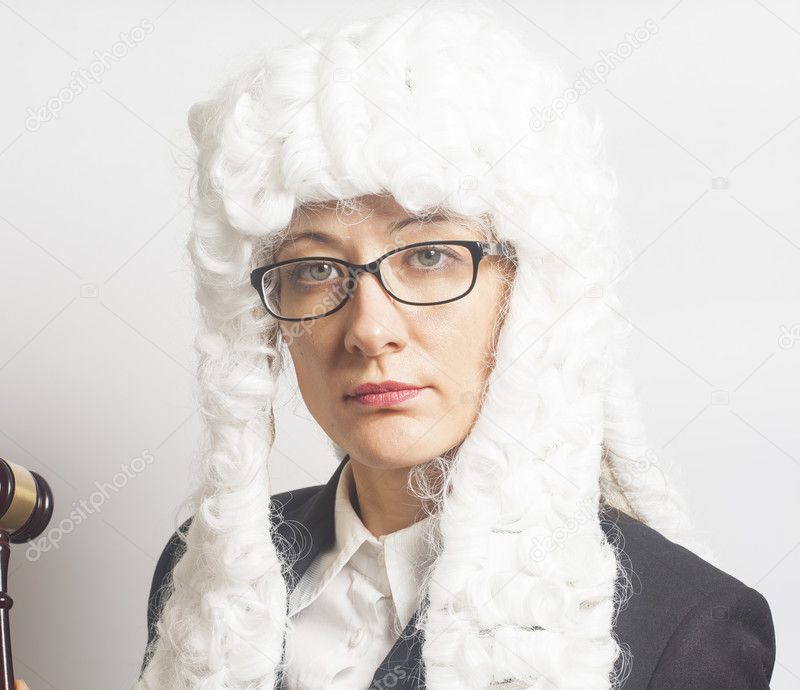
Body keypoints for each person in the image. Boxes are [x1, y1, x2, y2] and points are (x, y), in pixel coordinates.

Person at [65, 3, 772, 689]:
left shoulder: (686, 628)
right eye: (315, 269)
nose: (370, 329)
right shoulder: (205, 572)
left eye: (429, 256)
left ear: (527, 292)